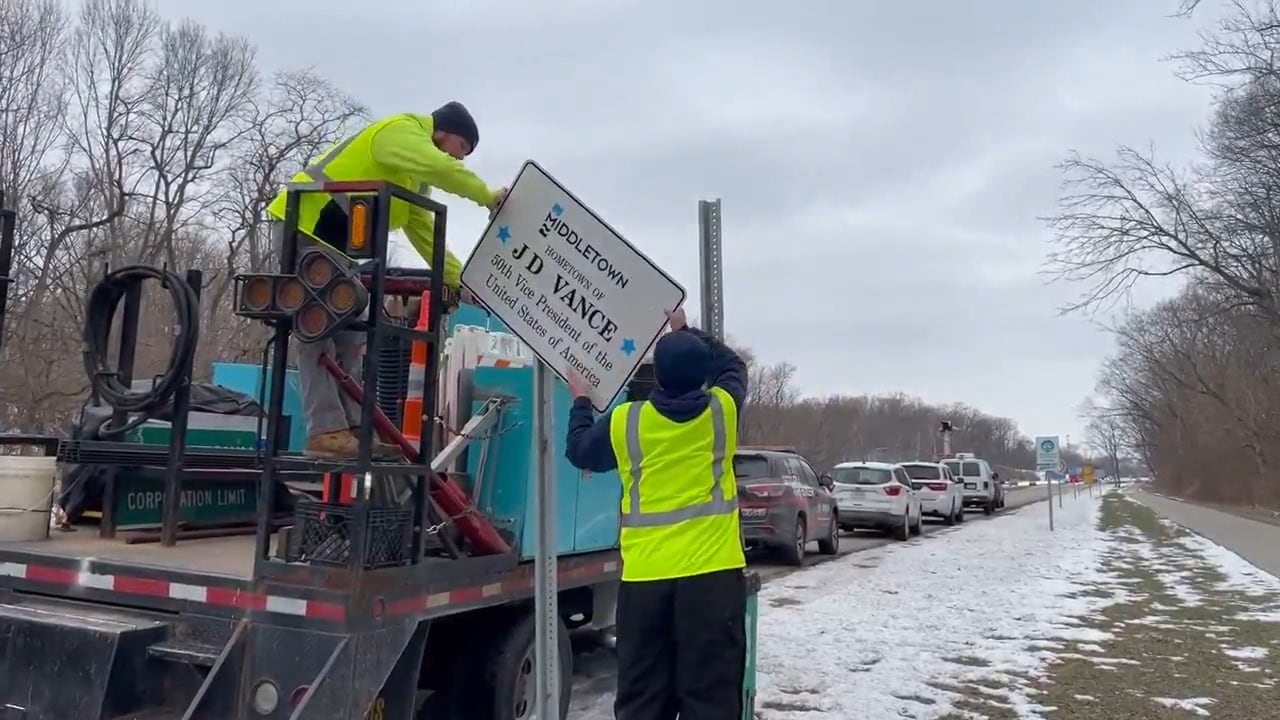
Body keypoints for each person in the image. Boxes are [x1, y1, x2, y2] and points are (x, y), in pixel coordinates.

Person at [265, 102, 507, 460]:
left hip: (332, 247)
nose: (460, 162)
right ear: (446, 133)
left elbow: (424, 228)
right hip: (302, 228)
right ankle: (325, 429)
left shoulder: (410, 176)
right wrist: (487, 196)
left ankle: (347, 430)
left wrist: (460, 280)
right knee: (317, 327)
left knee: (351, 330)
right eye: (461, 151)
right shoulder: (399, 132)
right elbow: (442, 168)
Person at [564, 307, 750, 720]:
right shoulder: (723, 412)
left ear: (658, 375)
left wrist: (580, 401)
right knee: (712, 701)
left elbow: (578, 451)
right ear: (703, 376)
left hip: (646, 584)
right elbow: (733, 365)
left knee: (643, 702)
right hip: (713, 581)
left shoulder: (626, 423)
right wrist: (686, 329)